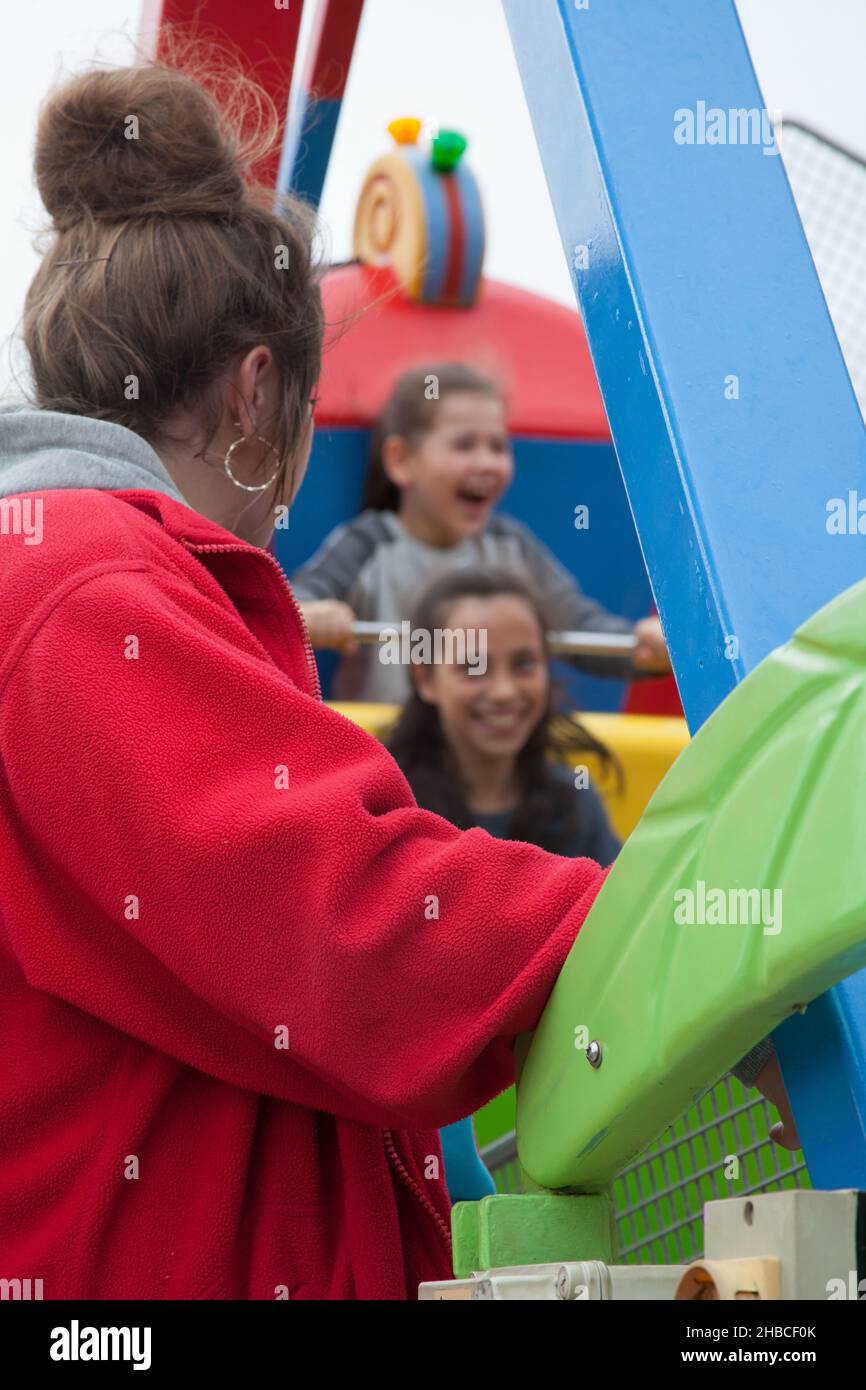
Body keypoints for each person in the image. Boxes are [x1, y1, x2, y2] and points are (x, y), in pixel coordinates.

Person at [0, 61, 795, 1304]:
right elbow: (337, 915)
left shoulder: (69, 579)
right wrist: (672, 942)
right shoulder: (87, 595)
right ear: (260, 395)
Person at [387, 566, 622, 1200]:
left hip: (558, 1074)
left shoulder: (572, 801)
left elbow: (621, 932)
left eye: (525, 664)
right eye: (473, 668)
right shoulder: (391, 798)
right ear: (424, 679)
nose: (504, 690)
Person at [292, 362, 671, 702]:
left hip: (486, 754)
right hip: (392, 758)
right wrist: (314, 616)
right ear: (401, 460)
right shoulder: (369, 544)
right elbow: (294, 606)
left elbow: (581, 630)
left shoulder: (511, 547)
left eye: (497, 446)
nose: (487, 463)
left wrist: (645, 648)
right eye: (465, 445)